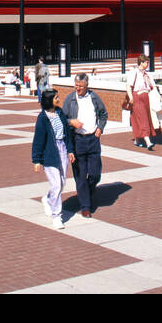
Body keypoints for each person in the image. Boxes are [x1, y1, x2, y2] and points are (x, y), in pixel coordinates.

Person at [61, 73, 108, 218]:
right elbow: (62, 119)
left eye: (80, 86)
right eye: (76, 85)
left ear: (86, 85)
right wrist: (71, 122)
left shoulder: (94, 97)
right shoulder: (70, 99)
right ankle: (85, 206)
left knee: (95, 174)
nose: (77, 88)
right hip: (78, 140)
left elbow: (103, 114)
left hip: (93, 139)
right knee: (80, 176)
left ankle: (85, 192)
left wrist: (100, 128)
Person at [31, 88, 75, 229]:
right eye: (56, 97)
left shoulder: (60, 112)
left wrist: (70, 150)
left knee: (61, 183)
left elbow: (67, 133)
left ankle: (48, 199)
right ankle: (57, 216)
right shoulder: (42, 118)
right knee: (56, 185)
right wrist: (37, 160)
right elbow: (38, 140)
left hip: (62, 149)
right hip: (50, 153)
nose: (58, 99)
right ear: (49, 99)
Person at [125, 55, 156, 150]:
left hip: (146, 97)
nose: (147, 64)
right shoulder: (134, 72)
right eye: (146, 62)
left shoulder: (147, 74)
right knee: (143, 118)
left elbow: (152, 86)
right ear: (141, 62)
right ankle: (148, 141)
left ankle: (137, 140)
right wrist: (130, 97)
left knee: (138, 118)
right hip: (137, 97)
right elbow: (129, 86)